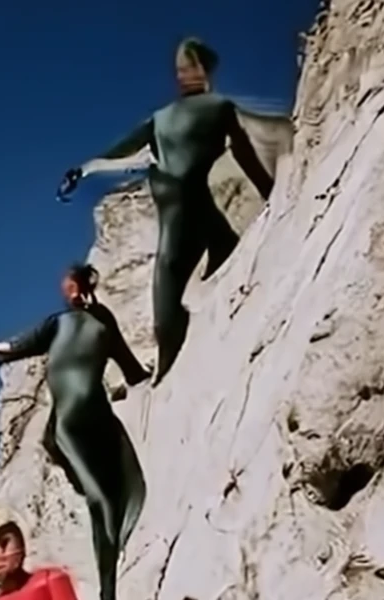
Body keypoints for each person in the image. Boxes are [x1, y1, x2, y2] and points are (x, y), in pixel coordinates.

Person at [58, 37, 276, 385]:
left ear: (205, 72)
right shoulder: (162, 119)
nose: (185, 75)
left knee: (168, 288)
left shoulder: (218, 108)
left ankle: (174, 355)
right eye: (181, 70)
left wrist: (273, 196)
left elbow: (245, 153)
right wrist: (84, 170)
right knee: (209, 245)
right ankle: (220, 265)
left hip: (182, 208)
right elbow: (122, 149)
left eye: (192, 68)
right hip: (190, 208)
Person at [0, 264, 149, 600]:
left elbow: (15, 346)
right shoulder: (105, 325)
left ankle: (107, 587)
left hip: (71, 420)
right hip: (99, 414)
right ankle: (108, 591)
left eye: (66, 283)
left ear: (74, 288)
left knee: (92, 494)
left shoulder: (58, 323)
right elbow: (134, 371)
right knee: (105, 494)